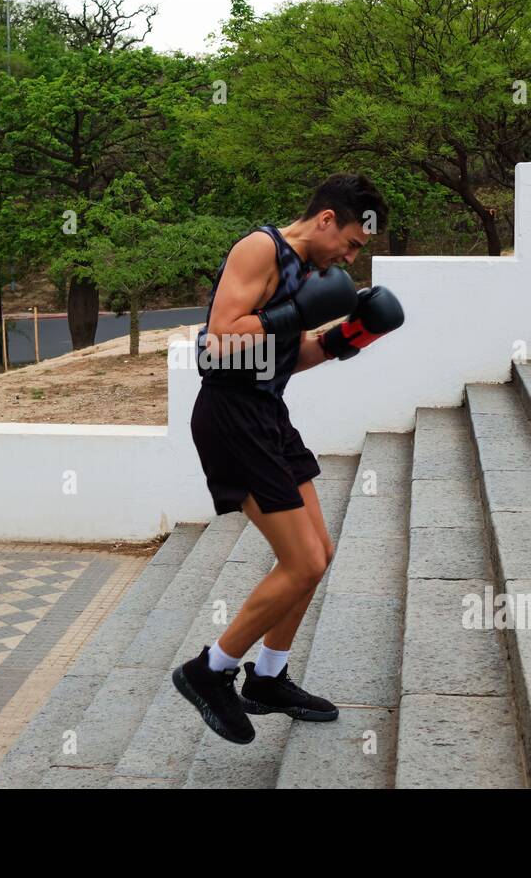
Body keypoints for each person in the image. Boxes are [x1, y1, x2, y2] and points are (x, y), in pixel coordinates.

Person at [173, 172, 405, 744]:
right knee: (299, 562)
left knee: (319, 552)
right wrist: (298, 315)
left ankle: (269, 678)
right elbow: (220, 342)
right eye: (351, 243)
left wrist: (348, 336)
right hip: (231, 417)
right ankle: (210, 671)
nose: (350, 256)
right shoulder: (260, 249)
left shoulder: (307, 272)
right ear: (326, 220)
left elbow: (287, 355)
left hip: (268, 414)